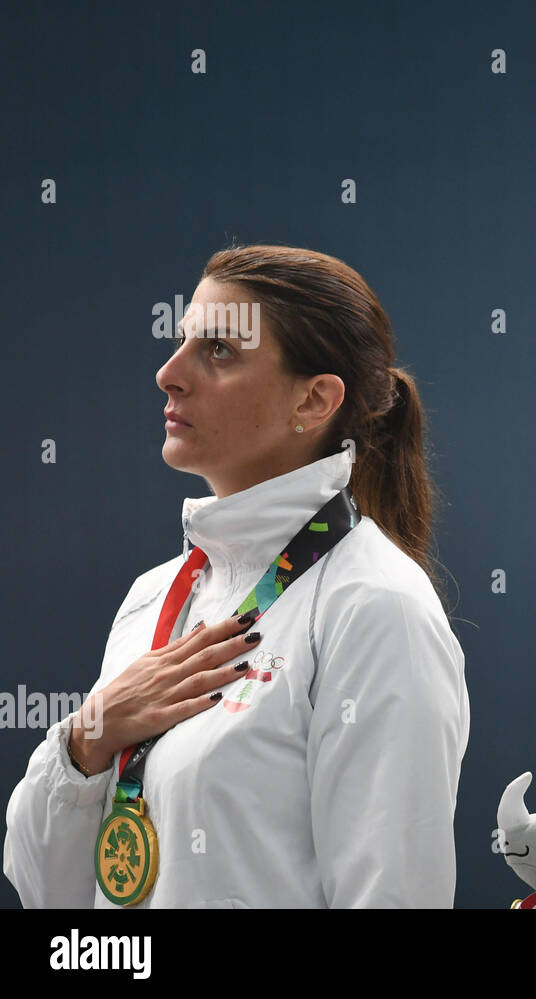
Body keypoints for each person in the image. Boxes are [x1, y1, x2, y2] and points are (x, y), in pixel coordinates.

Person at [3, 245, 469, 907]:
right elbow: (48, 893)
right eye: (181, 342)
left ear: (313, 400)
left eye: (218, 351)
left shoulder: (376, 608)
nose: (168, 374)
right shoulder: (154, 597)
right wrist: (88, 738)